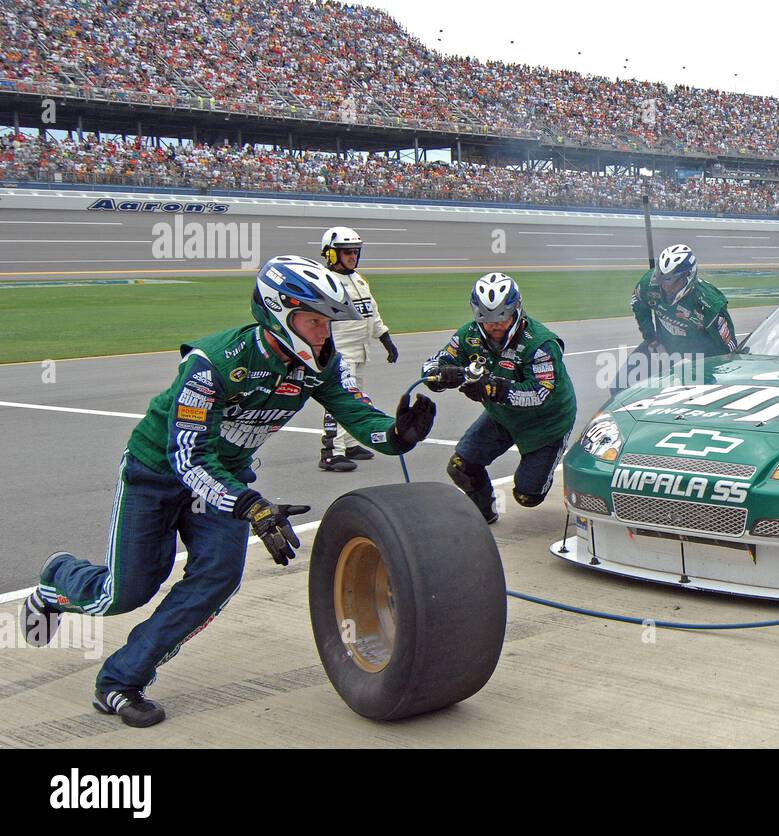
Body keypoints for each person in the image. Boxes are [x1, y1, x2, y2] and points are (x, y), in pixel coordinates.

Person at [21, 256, 435, 728]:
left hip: (228, 480)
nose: (325, 333)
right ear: (282, 313)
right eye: (316, 321)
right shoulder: (212, 363)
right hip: (156, 474)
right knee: (126, 592)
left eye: (327, 322)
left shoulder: (321, 363)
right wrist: (250, 506)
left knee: (217, 578)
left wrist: (397, 435)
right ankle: (58, 581)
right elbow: (189, 459)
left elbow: (355, 411)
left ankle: (121, 680)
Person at [421, 273, 576, 523]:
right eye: (487, 320)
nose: (495, 327)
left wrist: (494, 389)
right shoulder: (467, 336)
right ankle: (483, 514)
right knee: (460, 466)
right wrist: (439, 376)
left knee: (527, 496)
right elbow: (431, 366)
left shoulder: (541, 343)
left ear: (516, 309)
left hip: (547, 423)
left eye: (501, 319)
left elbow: (540, 393)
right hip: (502, 417)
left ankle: (552, 465)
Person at [318, 226, 400, 472]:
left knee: (355, 400)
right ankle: (331, 451)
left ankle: (350, 444)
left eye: (355, 252)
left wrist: (385, 337)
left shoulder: (358, 279)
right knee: (340, 402)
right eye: (347, 252)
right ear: (332, 254)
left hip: (359, 350)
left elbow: (371, 313)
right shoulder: (325, 282)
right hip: (339, 353)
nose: (353, 256)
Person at [616, 244, 737, 392]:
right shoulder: (649, 284)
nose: (664, 288)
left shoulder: (709, 303)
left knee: (687, 393)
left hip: (702, 355)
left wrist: (708, 368)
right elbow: (639, 305)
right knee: (620, 384)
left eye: (670, 282)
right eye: (661, 280)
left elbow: (727, 348)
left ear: (688, 276)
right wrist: (650, 337)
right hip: (665, 343)